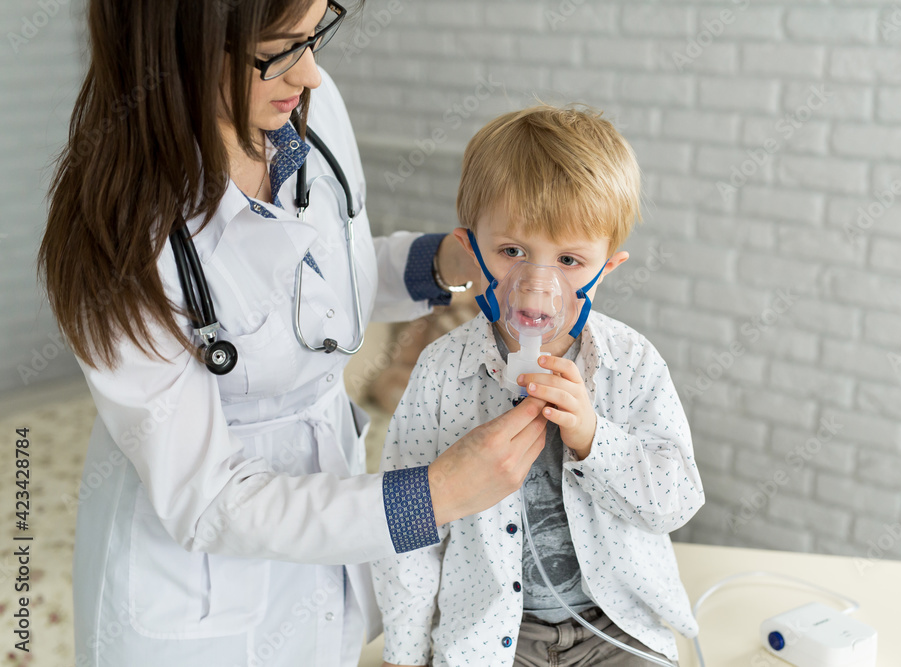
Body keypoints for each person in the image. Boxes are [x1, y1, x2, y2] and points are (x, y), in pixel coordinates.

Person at [36, 1, 551, 665]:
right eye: (279, 48)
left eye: (314, 36)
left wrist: (443, 266)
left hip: (324, 553)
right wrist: (438, 493)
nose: (309, 73)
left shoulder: (307, 109)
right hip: (198, 597)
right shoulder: (113, 234)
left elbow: (325, 289)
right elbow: (209, 498)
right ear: (175, 46)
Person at [373, 105, 706, 667]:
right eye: (512, 252)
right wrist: (403, 657)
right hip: (493, 633)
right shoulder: (441, 373)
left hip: (616, 625)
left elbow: (674, 502)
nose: (535, 289)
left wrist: (593, 437)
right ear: (470, 248)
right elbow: (408, 531)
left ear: (609, 267)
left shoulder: (630, 364)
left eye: (570, 260)